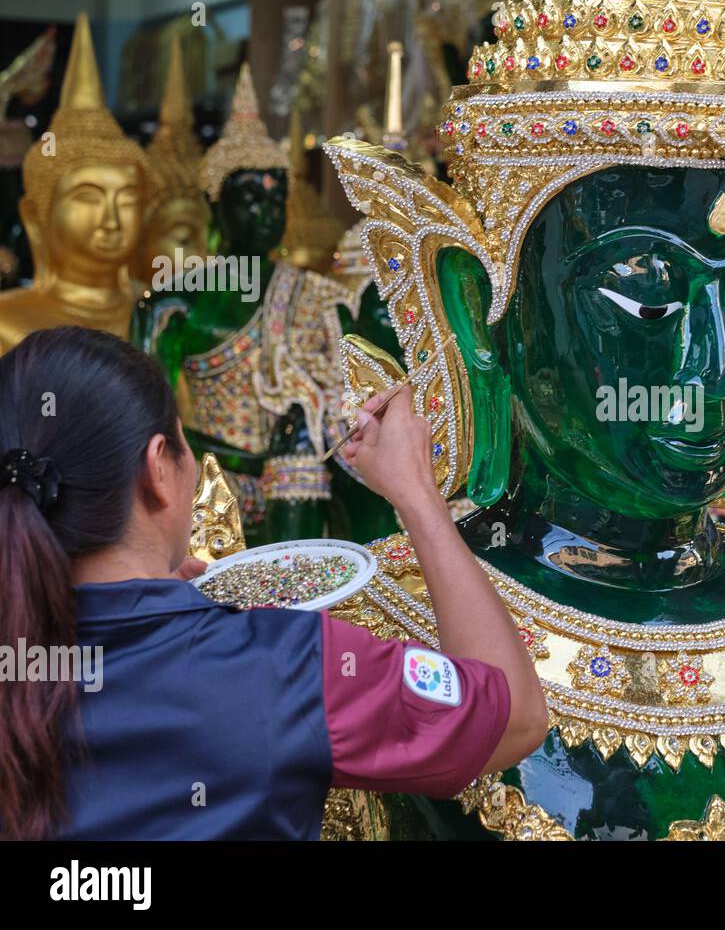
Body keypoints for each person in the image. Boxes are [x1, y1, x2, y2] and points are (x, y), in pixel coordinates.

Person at [0, 326, 548, 840]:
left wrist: (159, 603)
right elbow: (516, 717)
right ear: (158, 471)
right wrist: (418, 496)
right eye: (186, 443)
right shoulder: (281, 668)